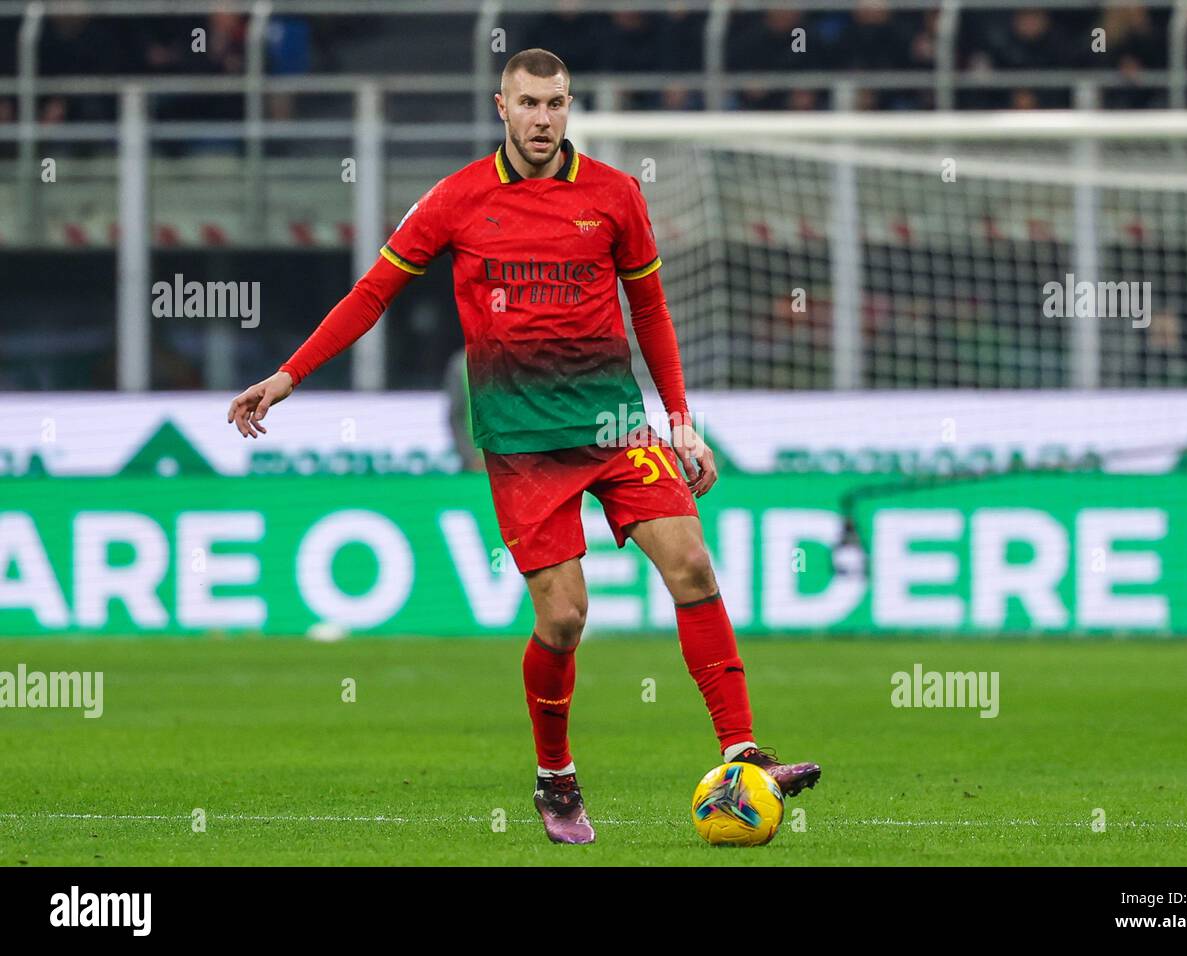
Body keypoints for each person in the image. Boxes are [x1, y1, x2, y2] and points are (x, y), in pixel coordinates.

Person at [226, 48, 821, 845]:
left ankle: (744, 753)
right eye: (530, 104)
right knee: (567, 619)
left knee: (691, 562)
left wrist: (679, 419)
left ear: (570, 107)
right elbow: (373, 292)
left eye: (557, 104)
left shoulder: (613, 194)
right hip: (522, 442)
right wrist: (290, 374)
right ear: (501, 108)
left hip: (613, 425)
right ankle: (555, 777)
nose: (544, 119)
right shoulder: (457, 199)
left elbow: (651, 312)